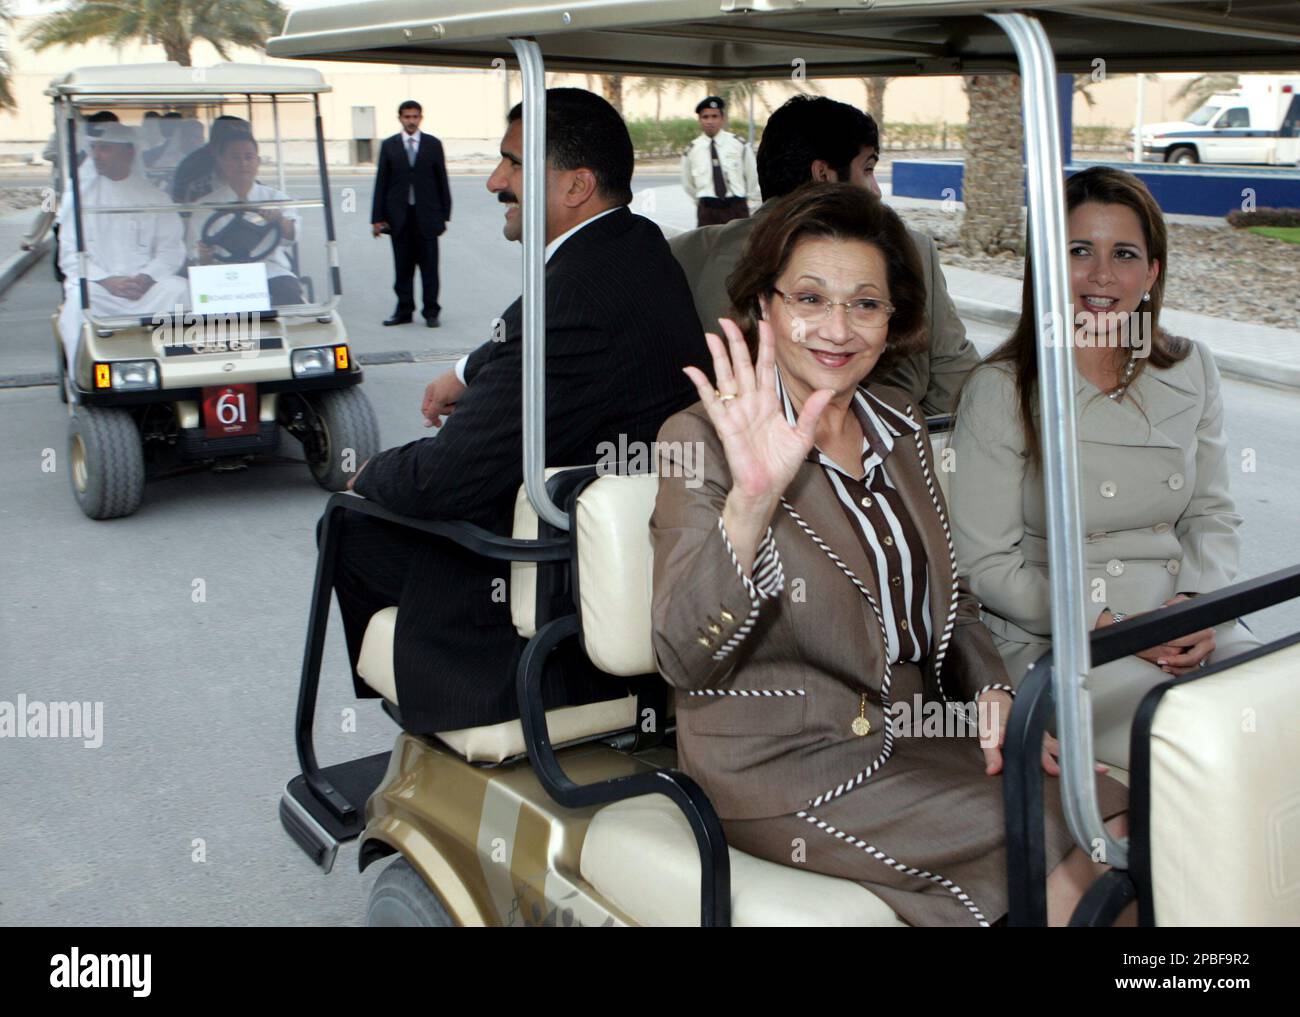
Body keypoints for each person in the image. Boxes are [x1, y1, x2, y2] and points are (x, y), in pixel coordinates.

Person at [651, 182, 1128, 927]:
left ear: (892, 319)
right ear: (764, 307)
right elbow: (683, 654)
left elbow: (955, 603)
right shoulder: (700, 439)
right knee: (1054, 845)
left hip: (920, 729)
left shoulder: (897, 421)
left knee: (1116, 811)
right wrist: (751, 502)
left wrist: (992, 695)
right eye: (810, 297)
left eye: (865, 304)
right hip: (784, 761)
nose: (837, 328)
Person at [330, 88, 704, 734]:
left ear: (576, 186)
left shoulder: (575, 299)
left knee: (350, 523)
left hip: (564, 584)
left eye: (512, 164)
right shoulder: (634, 248)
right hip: (616, 528)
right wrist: (468, 371)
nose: (494, 182)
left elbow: (449, 474)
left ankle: (457, 702)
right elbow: (529, 338)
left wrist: (369, 474)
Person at [948, 166, 1260, 767]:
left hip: (1184, 621)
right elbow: (985, 563)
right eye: (1078, 251)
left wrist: (1200, 603)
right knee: (1201, 744)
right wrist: (1112, 624)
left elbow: (1212, 513)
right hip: (1062, 637)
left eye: (1123, 254)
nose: (1100, 275)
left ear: (1152, 273)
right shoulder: (1003, 389)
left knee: (1279, 710)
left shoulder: (1192, 369)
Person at [671, 95, 980, 416]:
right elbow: (953, 377)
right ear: (824, 174)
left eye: (866, 304)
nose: (876, 190)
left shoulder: (684, 251)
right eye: (868, 168)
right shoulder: (903, 250)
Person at [57, 123, 189, 369]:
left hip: (146, 290)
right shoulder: (80, 199)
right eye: (94, 148)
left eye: (105, 149)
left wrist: (147, 278)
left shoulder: (155, 198)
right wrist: (107, 281)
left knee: (179, 290)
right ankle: (84, 380)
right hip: (101, 290)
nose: (96, 155)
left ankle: (175, 371)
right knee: (77, 302)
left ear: (128, 152)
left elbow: (171, 250)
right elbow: (69, 254)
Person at [191, 130, 304, 307]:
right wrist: (204, 258)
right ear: (221, 162)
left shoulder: (276, 199)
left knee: (288, 291)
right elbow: (194, 249)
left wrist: (279, 220)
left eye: (248, 157)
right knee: (207, 304)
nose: (242, 163)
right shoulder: (204, 205)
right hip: (221, 271)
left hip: (267, 268)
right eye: (235, 158)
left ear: (257, 162)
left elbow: (292, 236)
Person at [371, 100, 452, 327]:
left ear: (421, 118)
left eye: (415, 117)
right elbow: (382, 183)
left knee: (429, 269)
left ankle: (431, 312)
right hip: (399, 219)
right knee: (403, 269)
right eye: (407, 117)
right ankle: (404, 310)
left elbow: (441, 180)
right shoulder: (389, 146)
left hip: (427, 218)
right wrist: (377, 219)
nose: (411, 121)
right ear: (400, 118)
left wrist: (444, 214)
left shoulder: (432, 144)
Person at [680, 96, 759, 228]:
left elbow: (753, 178)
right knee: (708, 248)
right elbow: (688, 185)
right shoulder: (692, 150)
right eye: (705, 117)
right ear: (699, 120)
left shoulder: (738, 145)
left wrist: (750, 207)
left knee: (739, 248)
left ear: (722, 119)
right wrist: (703, 203)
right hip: (708, 212)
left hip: (736, 208)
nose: (710, 121)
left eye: (714, 116)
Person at [171, 115, 250, 204]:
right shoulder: (196, 168)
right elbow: (187, 209)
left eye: (249, 156)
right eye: (238, 138)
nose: (243, 163)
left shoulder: (254, 185)